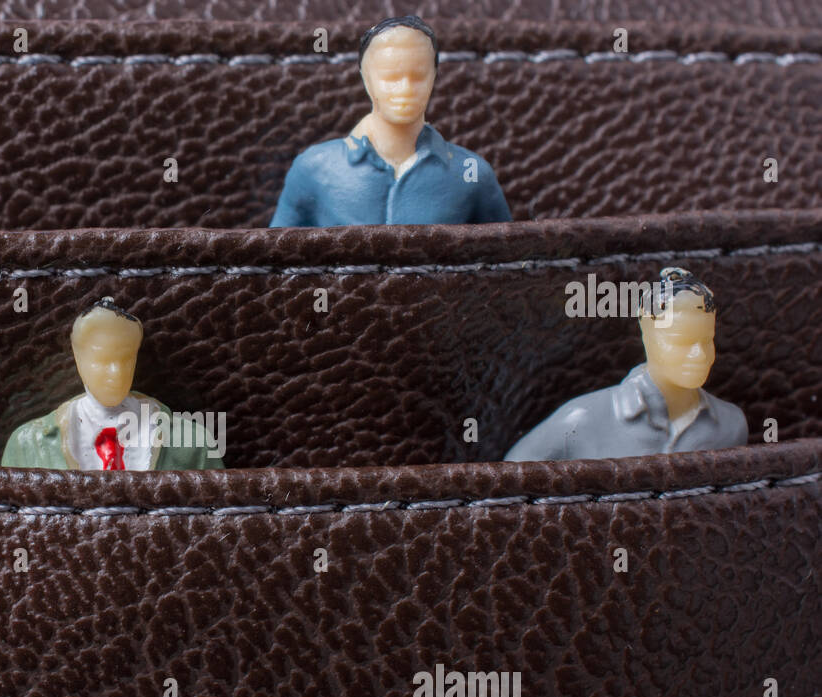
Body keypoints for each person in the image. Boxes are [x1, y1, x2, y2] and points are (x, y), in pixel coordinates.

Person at [270, 16, 511, 227]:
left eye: (418, 76)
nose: (405, 89)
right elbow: (277, 258)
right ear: (366, 78)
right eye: (391, 77)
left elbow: (502, 259)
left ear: (434, 77)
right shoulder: (315, 167)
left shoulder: (471, 171)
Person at [505, 268, 748, 461]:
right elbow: (513, 479)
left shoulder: (731, 425)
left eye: (706, 340)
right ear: (647, 336)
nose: (698, 354)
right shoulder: (582, 420)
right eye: (681, 341)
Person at [1, 300, 225, 471]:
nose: (116, 373)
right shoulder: (27, 444)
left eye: (126, 359)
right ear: (78, 360)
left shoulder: (193, 442)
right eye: (102, 361)